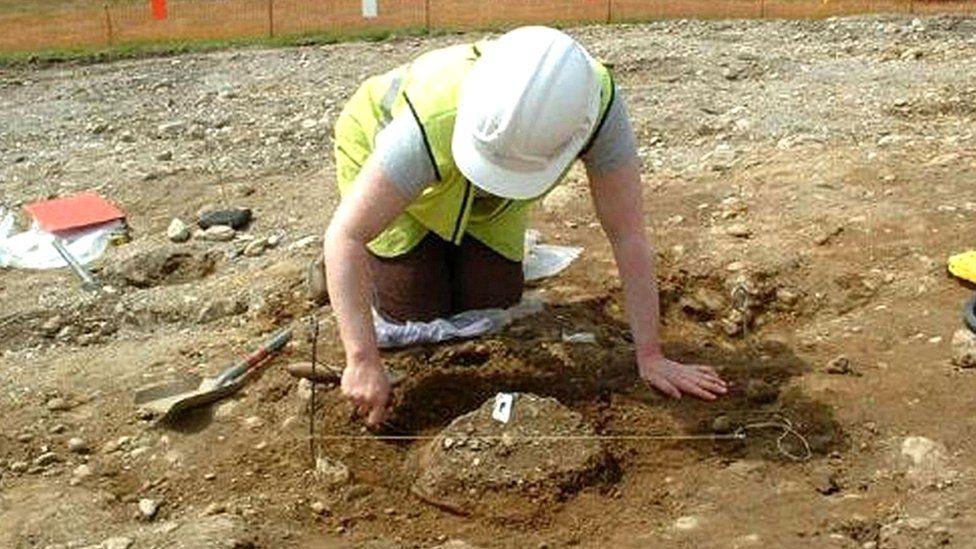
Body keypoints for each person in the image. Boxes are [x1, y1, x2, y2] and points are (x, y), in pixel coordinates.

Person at [310, 26, 728, 426]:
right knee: (417, 306)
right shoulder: (434, 115)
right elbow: (346, 234)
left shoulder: (594, 108)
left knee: (489, 299)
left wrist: (651, 355)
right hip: (395, 168)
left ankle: (442, 249)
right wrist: (362, 359)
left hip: (492, 200)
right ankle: (346, 267)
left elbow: (628, 234)